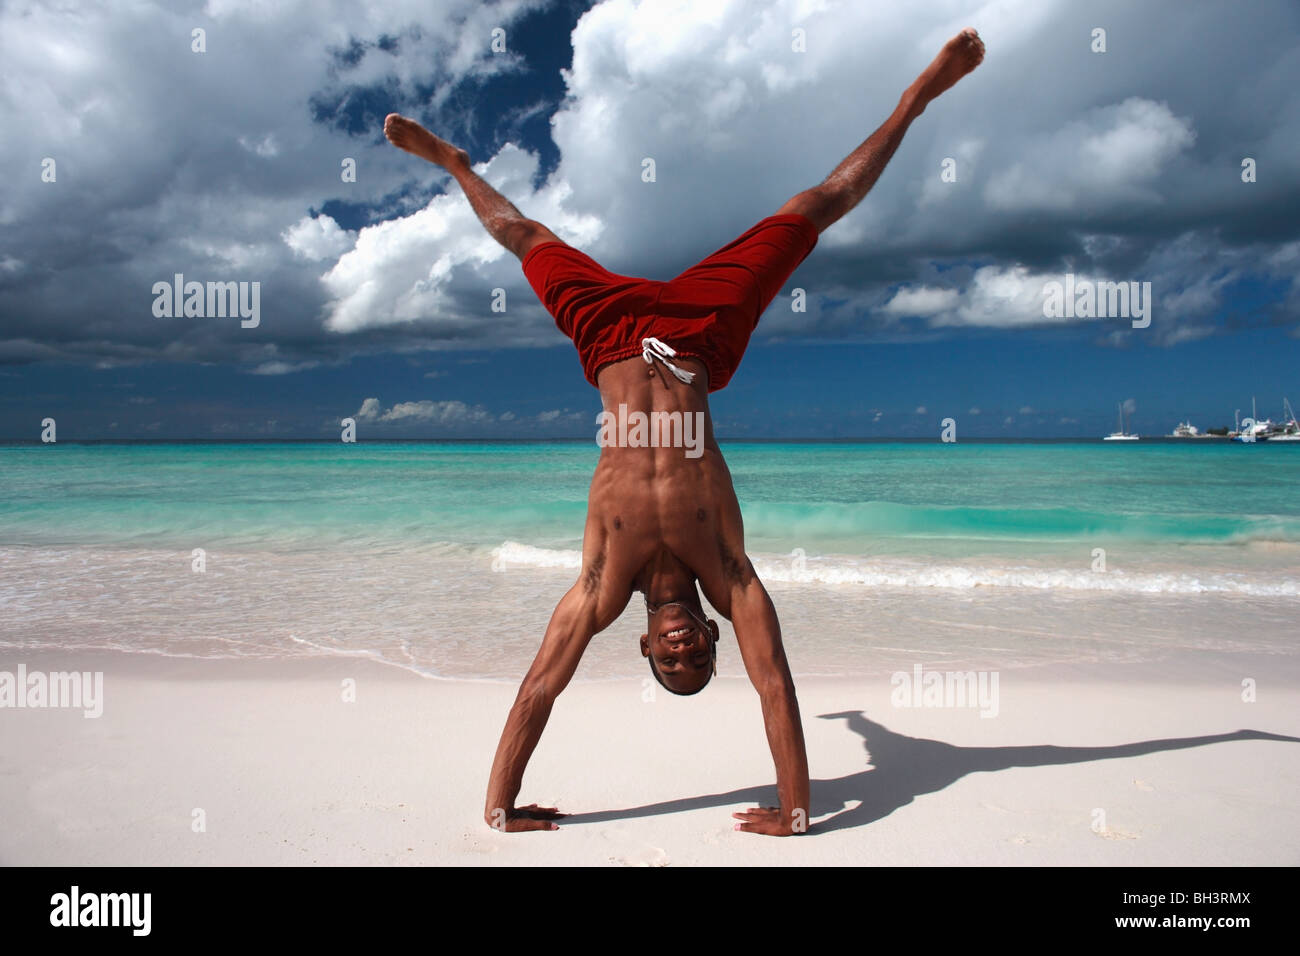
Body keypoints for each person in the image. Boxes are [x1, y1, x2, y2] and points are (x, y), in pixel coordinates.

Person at [384, 28, 985, 836]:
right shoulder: (732, 579)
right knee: (814, 210)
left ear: (645, 649)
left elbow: (537, 689)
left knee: (522, 236)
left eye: (672, 661)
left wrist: (498, 808)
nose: (683, 651)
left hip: (608, 336)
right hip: (699, 333)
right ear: (709, 634)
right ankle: (918, 95)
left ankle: (452, 161)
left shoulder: (598, 588)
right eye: (698, 656)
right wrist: (798, 811)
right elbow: (775, 685)